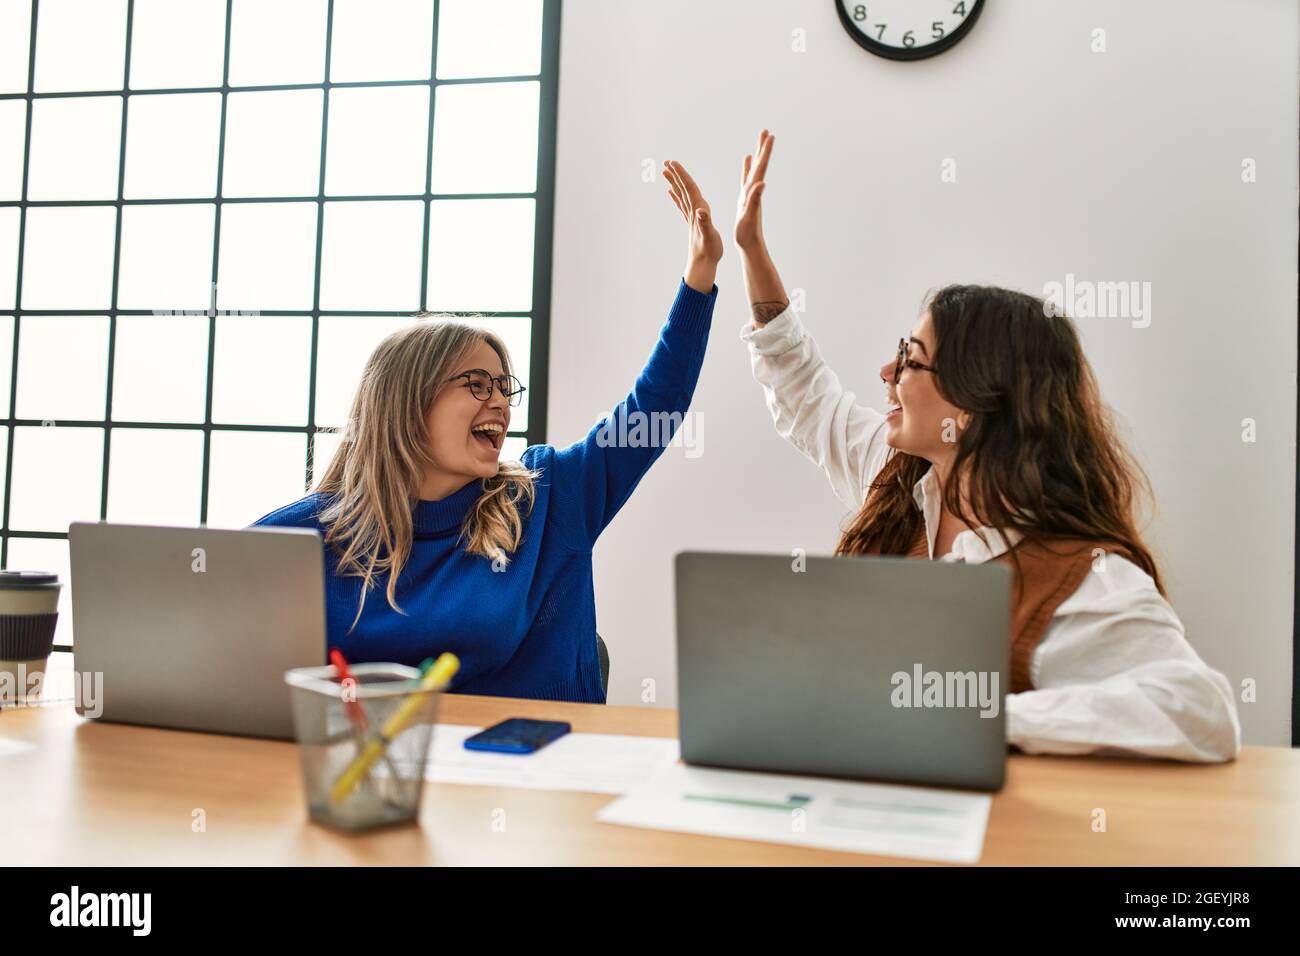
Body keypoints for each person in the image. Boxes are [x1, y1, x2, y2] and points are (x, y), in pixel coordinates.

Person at [734, 129, 1239, 761]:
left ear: (972, 407)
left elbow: (1198, 709)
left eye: (910, 361)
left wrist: (983, 719)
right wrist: (752, 252)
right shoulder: (901, 482)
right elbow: (806, 394)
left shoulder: (1077, 572)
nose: (888, 375)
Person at [253, 160, 723, 704]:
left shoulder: (551, 496)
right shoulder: (301, 538)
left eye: (504, 386)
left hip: (540, 770)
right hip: (384, 770)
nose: (500, 401)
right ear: (406, 404)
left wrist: (700, 274)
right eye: (477, 384)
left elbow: (654, 408)